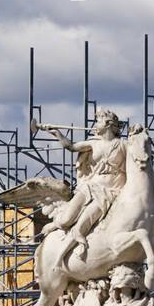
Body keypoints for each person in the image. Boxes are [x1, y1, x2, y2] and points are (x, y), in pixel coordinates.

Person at [40, 109, 127, 260]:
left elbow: (139, 163)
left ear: (107, 124)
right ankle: (57, 224)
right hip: (89, 187)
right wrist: (57, 133)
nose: (95, 125)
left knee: (87, 219)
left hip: (110, 191)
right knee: (67, 219)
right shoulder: (93, 143)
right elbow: (71, 147)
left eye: (98, 121)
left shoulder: (122, 145)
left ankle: (79, 237)